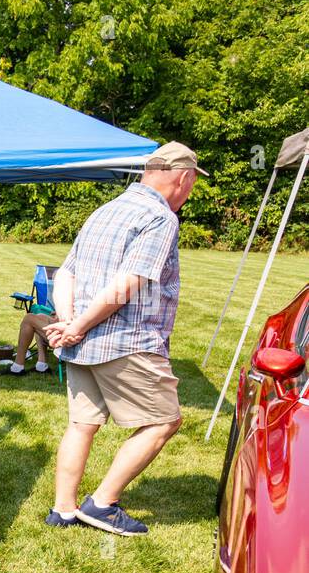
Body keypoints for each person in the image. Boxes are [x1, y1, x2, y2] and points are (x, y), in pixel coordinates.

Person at [42, 141, 204, 535]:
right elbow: (126, 286)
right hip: (126, 341)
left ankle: (62, 510)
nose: (190, 192)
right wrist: (76, 325)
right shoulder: (160, 218)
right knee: (164, 421)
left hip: (82, 343)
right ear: (183, 178)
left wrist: (68, 321)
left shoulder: (106, 210)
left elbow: (64, 273)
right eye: (193, 184)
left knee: (81, 425)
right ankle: (102, 503)